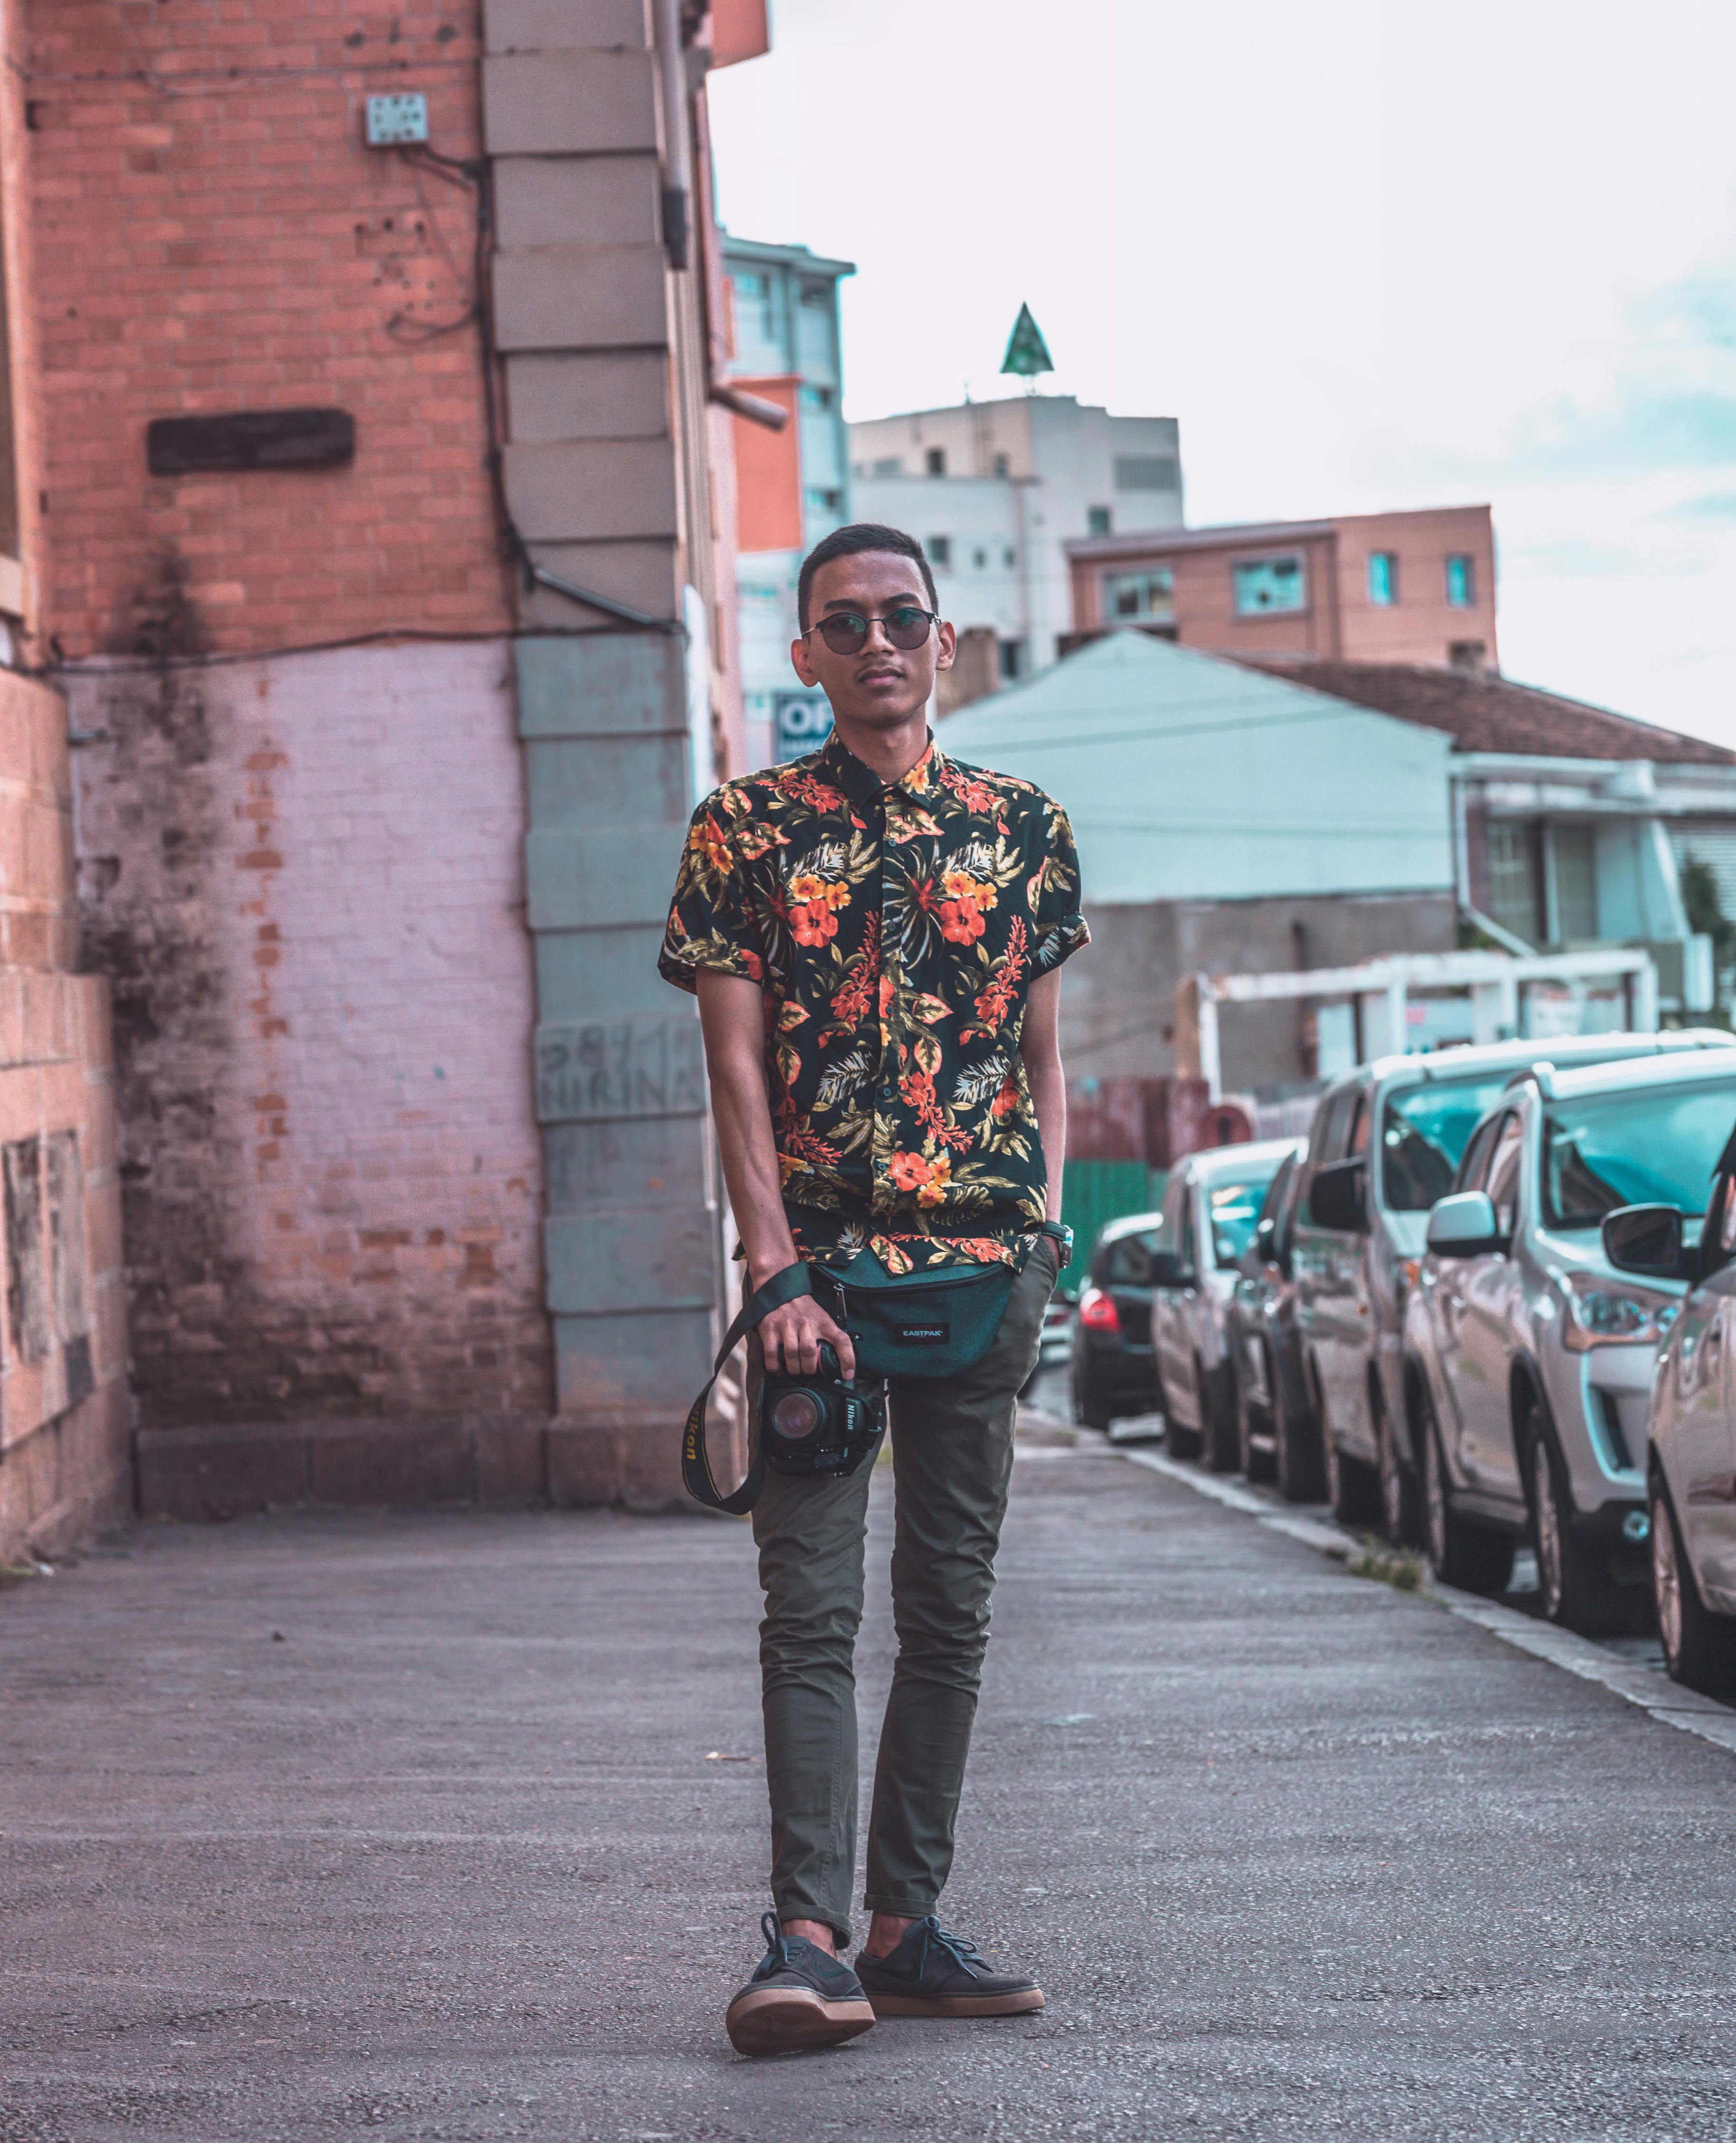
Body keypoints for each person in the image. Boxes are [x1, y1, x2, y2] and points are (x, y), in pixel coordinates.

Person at [658, 523, 1088, 2057]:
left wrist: (1039, 1236)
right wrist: (773, 1267)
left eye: (902, 617)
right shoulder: (745, 833)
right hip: (820, 1289)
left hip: (987, 1275)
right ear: (807, 658)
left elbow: (1041, 1059)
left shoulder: (1023, 828)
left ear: (946, 640)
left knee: (953, 1613)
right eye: (845, 625)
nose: (877, 643)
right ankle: (806, 1939)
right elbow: (731, 1075)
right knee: (811, 1614)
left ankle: (905, 1928)